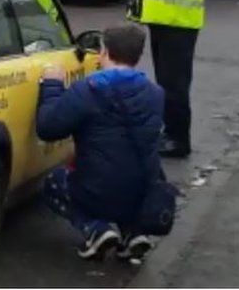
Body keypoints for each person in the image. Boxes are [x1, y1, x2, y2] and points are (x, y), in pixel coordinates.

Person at [37, 24, 165, 262]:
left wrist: (52, 86)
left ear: (104, 52)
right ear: (138, 56)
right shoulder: (155, 93)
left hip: (97, 190)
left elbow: (48, 128)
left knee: (54, 182)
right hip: (144, 191)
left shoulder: (90, 90)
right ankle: (133, 232)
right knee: (127, 173)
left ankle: (95, 229)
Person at [117, 0, 206, 159]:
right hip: (163, 23)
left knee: (174, 85)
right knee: (166, 83)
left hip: (178, 24)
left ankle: (178, 141)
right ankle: (169, 134)